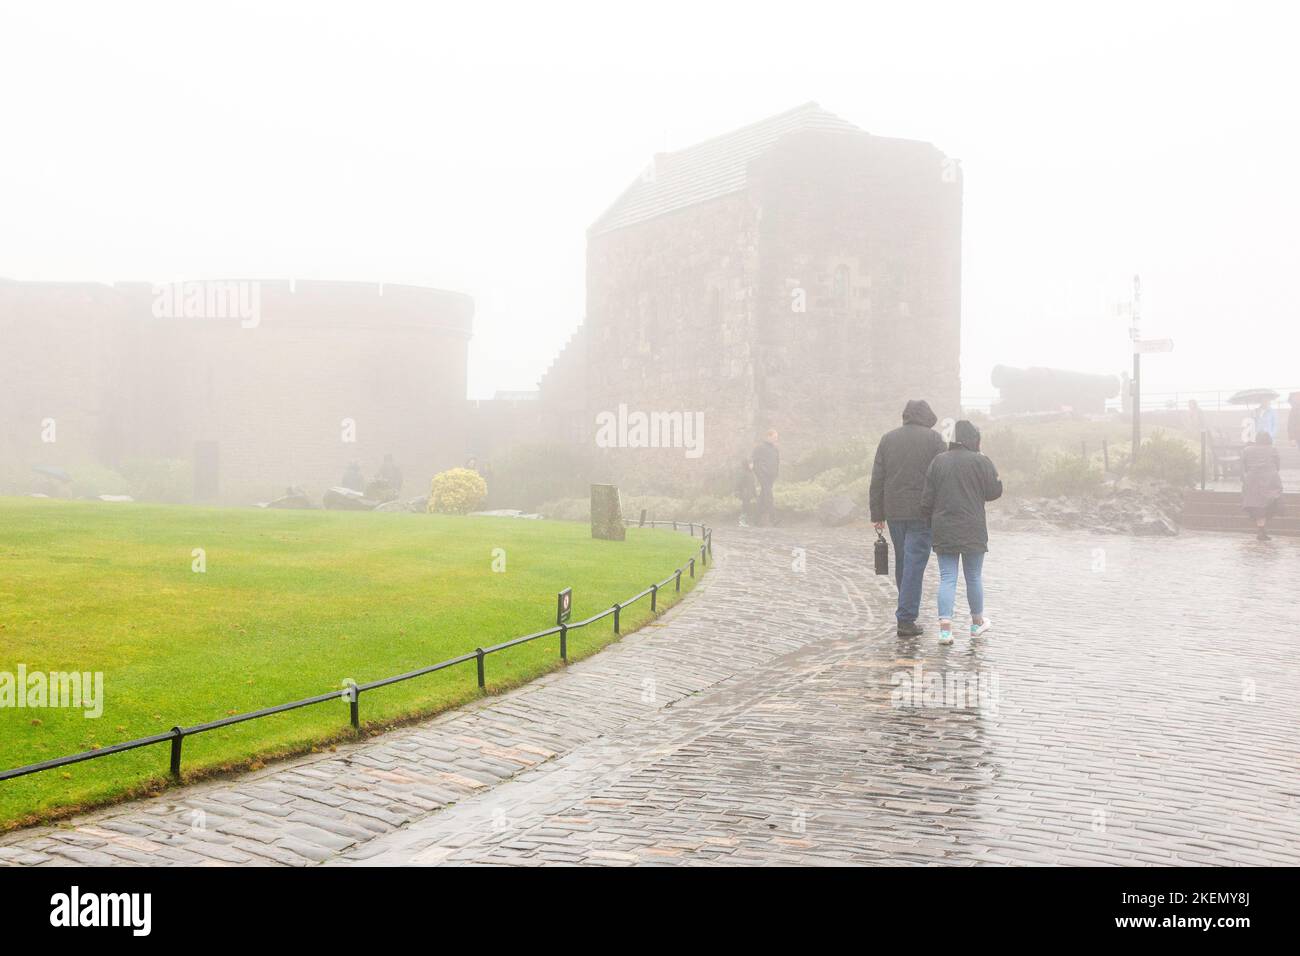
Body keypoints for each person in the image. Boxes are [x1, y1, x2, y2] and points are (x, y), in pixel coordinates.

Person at [920, 420, 1003, 646]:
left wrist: (929, 520)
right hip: (973, 527)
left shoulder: (938, 461)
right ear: (973, 439)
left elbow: (927, 499)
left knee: (947, 577)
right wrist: (985, 461)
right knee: (973, 576)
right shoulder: (980, 461)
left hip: (944, 526)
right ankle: (976, 624)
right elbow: (995, 491)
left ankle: (945, 630)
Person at [869, 400, 946, 636]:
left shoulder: (888, 439)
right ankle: (906, 618)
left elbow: (878, 478)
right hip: (922, 511)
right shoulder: (934, 440)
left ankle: (906, 612)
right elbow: (941, 476)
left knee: (904, 560)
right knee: (914, 562)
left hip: (894, 511)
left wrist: (877, 514)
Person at [1241, 431, 1283, 541]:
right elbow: (1277, 465)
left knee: (1256, 505)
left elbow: (1245, 466)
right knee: (1269, 503)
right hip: (1270, 479)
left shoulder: (1247, 450)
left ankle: (1261, 528)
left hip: (1252, 479)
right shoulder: (1273, 449)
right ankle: (1262, 529)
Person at [751, 429, 780, 526]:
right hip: (763, 476)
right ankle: (774, 517)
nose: (776, 439)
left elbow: (777, 462)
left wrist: (776, 473)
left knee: (764, 495)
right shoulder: (759, 448)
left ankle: (755, 518)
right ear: (768, 436)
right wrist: (761, 473)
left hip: (772, 476)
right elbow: (755, 462)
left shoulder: (775, 449)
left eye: (777, 437)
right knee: (768, 494)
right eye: (775, 437)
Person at [734, 457, 757, 527]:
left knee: (747, 507)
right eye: (750, 463)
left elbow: (752, 485)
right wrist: (737, 491)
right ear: (746, 464)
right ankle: (742, 521)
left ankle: (744, 520)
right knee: (745, 506)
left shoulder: (751, 473)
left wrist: (755, 494)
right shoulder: (743, 473)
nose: (752, 465)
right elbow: (738, 483)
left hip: (749, 493)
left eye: (752, 463)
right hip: (744, 493)